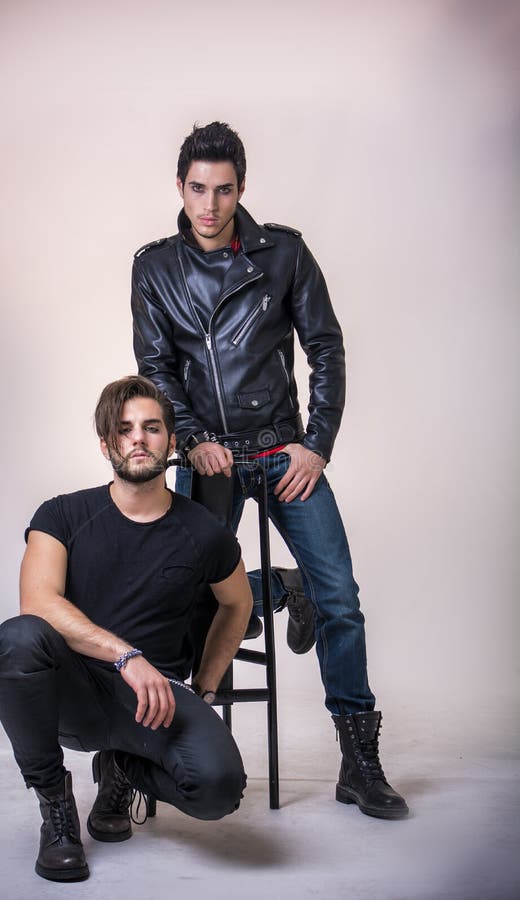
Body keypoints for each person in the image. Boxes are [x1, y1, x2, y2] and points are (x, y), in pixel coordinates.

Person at [131, 121, 408, 820]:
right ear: (180, 187)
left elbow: (326, 347)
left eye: (224, 190)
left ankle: (359, 760)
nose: (210, 204)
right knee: (185, 602)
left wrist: (318, 442)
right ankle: (282, 592)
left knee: (341, 595)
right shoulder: (155, 268)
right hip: (211, 457)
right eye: (198, 189)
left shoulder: (283, 252)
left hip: (283, 450)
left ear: (241, 189)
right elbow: (157, 369)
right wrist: (191, 438)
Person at [0, 375, 251, 882]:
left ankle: (122, 769)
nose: (138, 438)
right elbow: (37, 601)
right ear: (107, 443)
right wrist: (126, 657)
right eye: (125, 429)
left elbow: (236, 605)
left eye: (152, 428)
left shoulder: (203, 531)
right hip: (76, 693)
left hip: (154, 705)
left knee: (219, 789)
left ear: (171, 442)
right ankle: (56, 808)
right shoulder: (62, 514)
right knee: (17, 637)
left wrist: (206, 686)